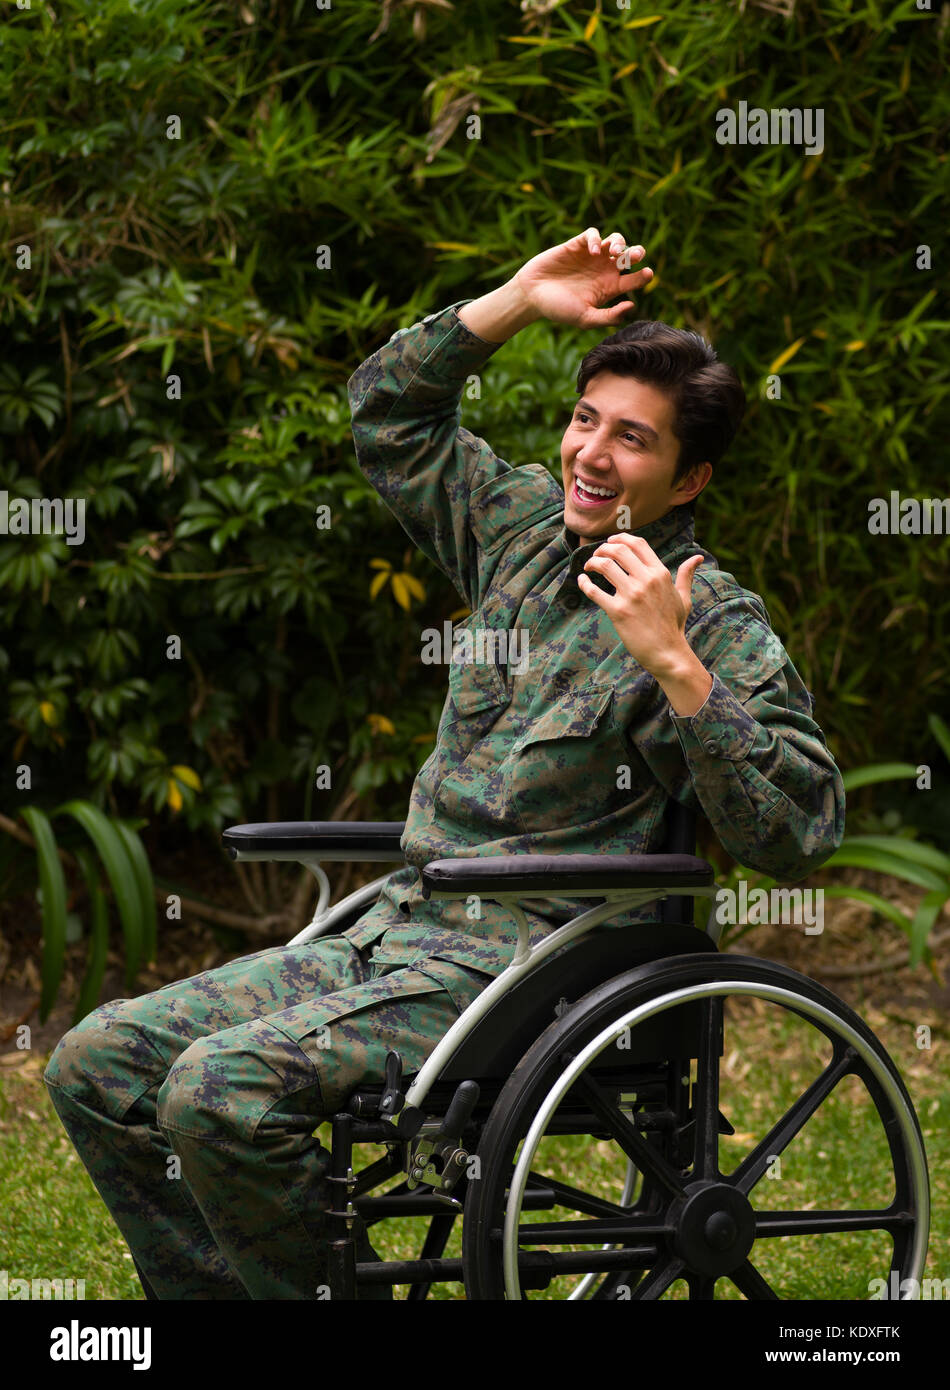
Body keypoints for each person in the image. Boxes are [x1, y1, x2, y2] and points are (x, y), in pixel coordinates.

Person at [42, 227, 845, 1300]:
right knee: (95, 1064)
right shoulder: (515, 533)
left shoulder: (714, 621)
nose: (590, 455)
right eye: (582, 419)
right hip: (395, 929)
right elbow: (385, 413)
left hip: (528, 969)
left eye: (633, 441)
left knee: (219, 1092)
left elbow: (794, 834)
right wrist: (513, 301)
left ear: (687, 475)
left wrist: (677, 668)